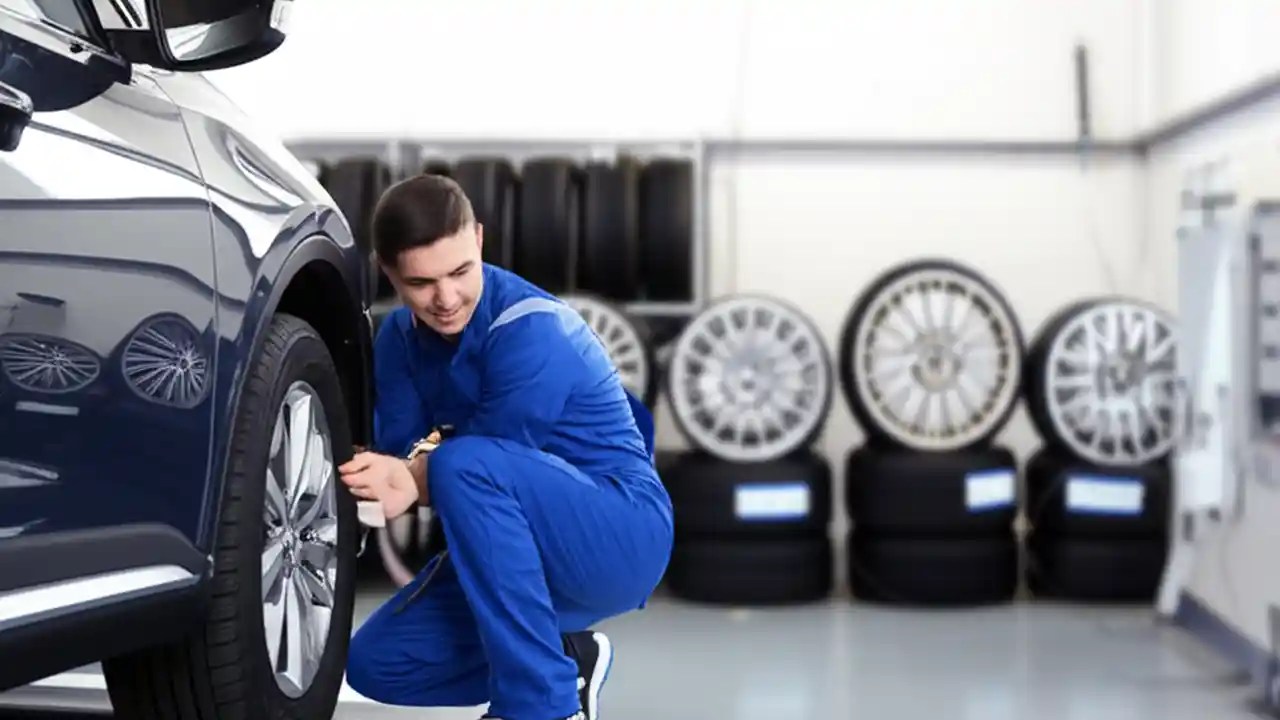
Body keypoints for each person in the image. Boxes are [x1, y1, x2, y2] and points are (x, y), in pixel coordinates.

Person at [338, 173, 674, 720]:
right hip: (511, 547)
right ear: (386, 271)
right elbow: (384, 450)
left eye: (459, 272)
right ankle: (568, 660)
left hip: (620, 535)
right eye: (421, 283)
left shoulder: (534, 328)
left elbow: (471, 462)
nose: (445, 299)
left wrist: (408, 479)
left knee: (465, 463)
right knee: (379, 663)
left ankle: (541, 706)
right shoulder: (399, 339)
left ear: (479, 238)